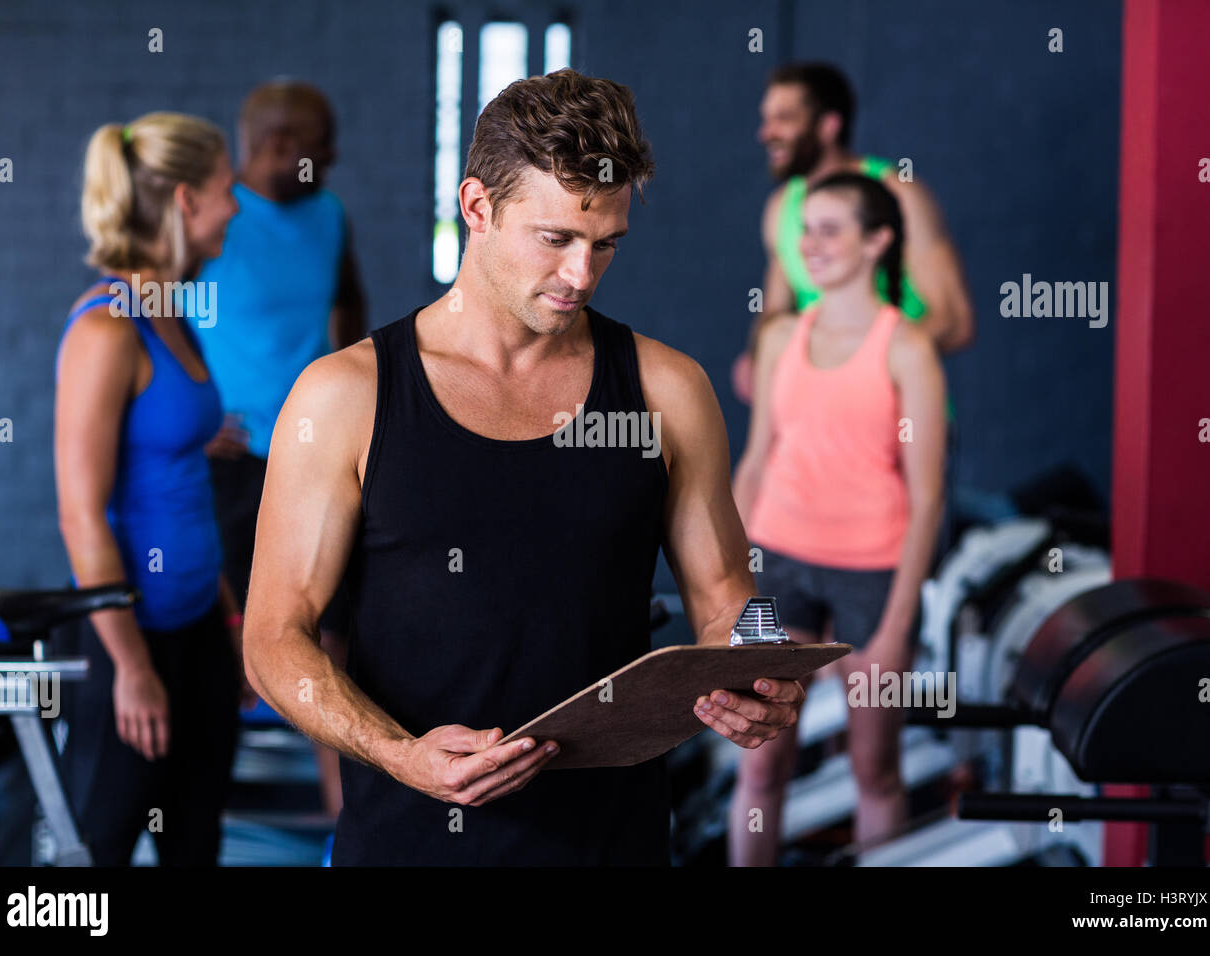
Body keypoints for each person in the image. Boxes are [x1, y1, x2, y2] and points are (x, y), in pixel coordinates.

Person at [242, 69, 805, 866]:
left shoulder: (667, 390)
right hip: (408, 845)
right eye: (556, 239)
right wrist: (400, 754)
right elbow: (273, 637)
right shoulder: (343, 396)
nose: (582, 274)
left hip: (613, 845)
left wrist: (759, 663)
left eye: (605, 243)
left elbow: (728, 598)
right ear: (478, 207)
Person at [728, 172, 947, 866]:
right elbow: (757, 460)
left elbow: (927, 499)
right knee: (761, 765)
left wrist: (893, 627)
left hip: (871, 572)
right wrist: (731, 592)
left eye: (830, 229)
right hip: (778, 558)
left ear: (877, 241)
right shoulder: (779, 337)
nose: (809, 244)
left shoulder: (907, 347)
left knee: (872, 771)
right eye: (805, 229)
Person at [53, 112, 250, 865]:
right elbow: (82, 513)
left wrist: (229, 617)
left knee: (194, 843)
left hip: (199, 622)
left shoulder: (171, 314)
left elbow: (179, 468)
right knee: (98, 855)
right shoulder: (106, 331)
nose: (234, 206)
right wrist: (131, 670)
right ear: (182, 201)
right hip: (128, 642)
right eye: (225, 189)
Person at [191, 80, 365, 818]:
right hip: (230, 468)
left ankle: (344, 826)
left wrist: (354, 383)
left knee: (337, 647)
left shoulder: (329, 213)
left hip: (314, 461)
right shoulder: (213, 217)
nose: (333, 156)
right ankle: (195, 826)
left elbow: (350, 301)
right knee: (236, 654)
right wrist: (194, 415)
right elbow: (144, 314)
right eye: (321, 142)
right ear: (279, 148)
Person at [732, 62, 973, 402]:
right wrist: (756, 357)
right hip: (817, 413)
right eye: (766, 118)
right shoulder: (780, 206)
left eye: (784, 118)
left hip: (902, 417)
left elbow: (955, 322)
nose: (766, 133)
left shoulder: (899, 194)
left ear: (828, 126)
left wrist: (857, 367)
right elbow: (775, 310)